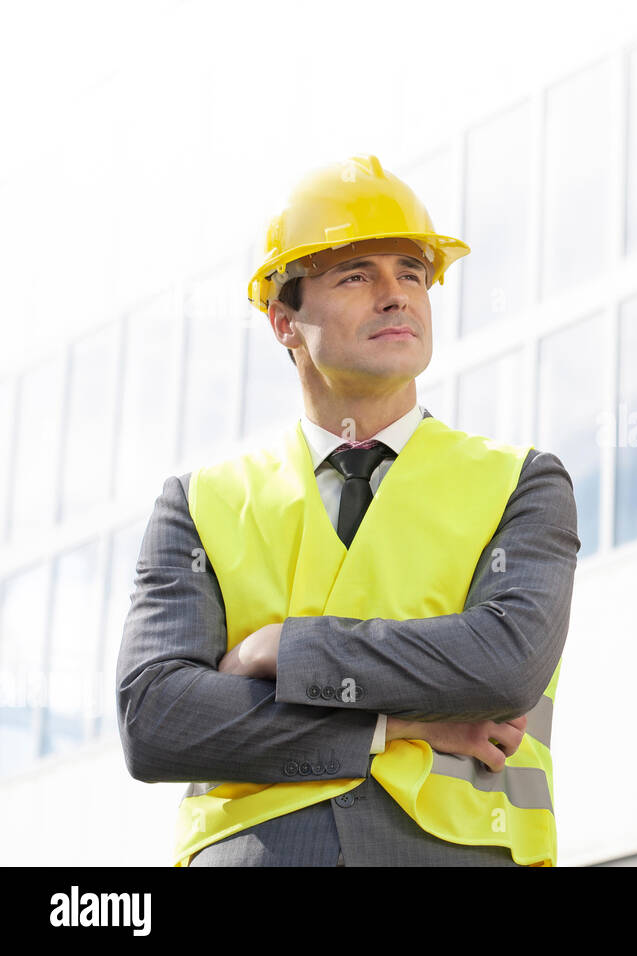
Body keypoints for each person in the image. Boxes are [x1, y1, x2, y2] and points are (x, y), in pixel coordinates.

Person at [116, 154, 580, 866]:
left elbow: (503, 665)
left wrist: (283, 648)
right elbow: (157, 720)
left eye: (413, 273)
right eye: (358, 275)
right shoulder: (202, 504)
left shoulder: (520, 482)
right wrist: (393, 725)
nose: (397, 296)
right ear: (284, 321)